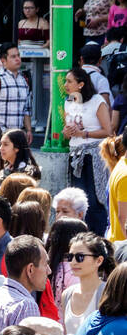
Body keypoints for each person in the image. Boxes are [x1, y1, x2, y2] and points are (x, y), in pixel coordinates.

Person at [58, 67, 112, 235]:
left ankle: (99, 237)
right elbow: (66, 132)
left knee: (95, 200)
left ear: (81, 84)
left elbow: (108, 131)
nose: (65, 84)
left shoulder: (97, 101)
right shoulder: (68, 102)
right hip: (75, 154)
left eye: (69, 81)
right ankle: (81, 235)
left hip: (94, 154)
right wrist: (66, 133)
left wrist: (84, 133)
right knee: (78, 199)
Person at [0, 44, 33, 145]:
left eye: (18, 55)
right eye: (13, 56)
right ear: (3, 61)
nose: (18, 59)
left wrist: (29, 130)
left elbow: (26, 109)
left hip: (17, 137)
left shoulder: (24, 81)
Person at [61, 232, 111, 335]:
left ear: (99, 260)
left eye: (80, 257)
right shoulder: (67, 294)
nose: (73, 262)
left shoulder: (107, 292)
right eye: (70, 257)